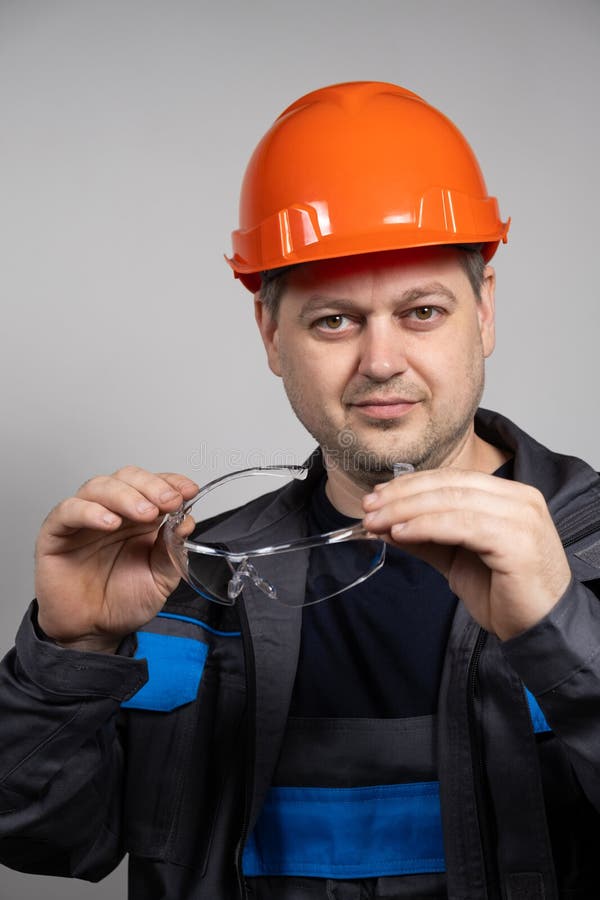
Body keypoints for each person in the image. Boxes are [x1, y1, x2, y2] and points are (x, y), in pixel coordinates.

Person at [1, 81, 600, 900]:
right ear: (271, 336)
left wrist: (561, 632)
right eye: (333, 321)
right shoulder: (186, 578)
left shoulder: (590, 558)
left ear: (485, 313)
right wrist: (70, 652)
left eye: (422, 312)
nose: (381, 359)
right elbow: (42, 842)